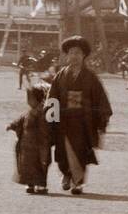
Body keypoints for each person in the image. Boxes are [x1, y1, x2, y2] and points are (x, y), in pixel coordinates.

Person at [46, 35, 112, 194]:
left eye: (78, 53)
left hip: (83, 122)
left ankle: (78, 182)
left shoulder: (91, 77)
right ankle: (66, 175)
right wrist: (51, 118)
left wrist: (101, 120)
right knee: (62, 150)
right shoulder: (60, 75)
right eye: (71, 53)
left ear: (84, 56)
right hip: (63, 120)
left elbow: (100, 99)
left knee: (81, 151)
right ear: (67, 55)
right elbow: (52, 97)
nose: (74, 56)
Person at [7, 85, 51, 194]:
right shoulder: (29, 112)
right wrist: (12, 125)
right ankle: (30, 184)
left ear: (38, 99)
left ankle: (40, 185)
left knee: (39, 165)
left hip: (37, 145)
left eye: (31, 98)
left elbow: (44, 130)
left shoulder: (42, 113)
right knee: (27, 165)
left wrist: (44, 143)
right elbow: (21, 120)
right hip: (26, 145)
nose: (28, 101)